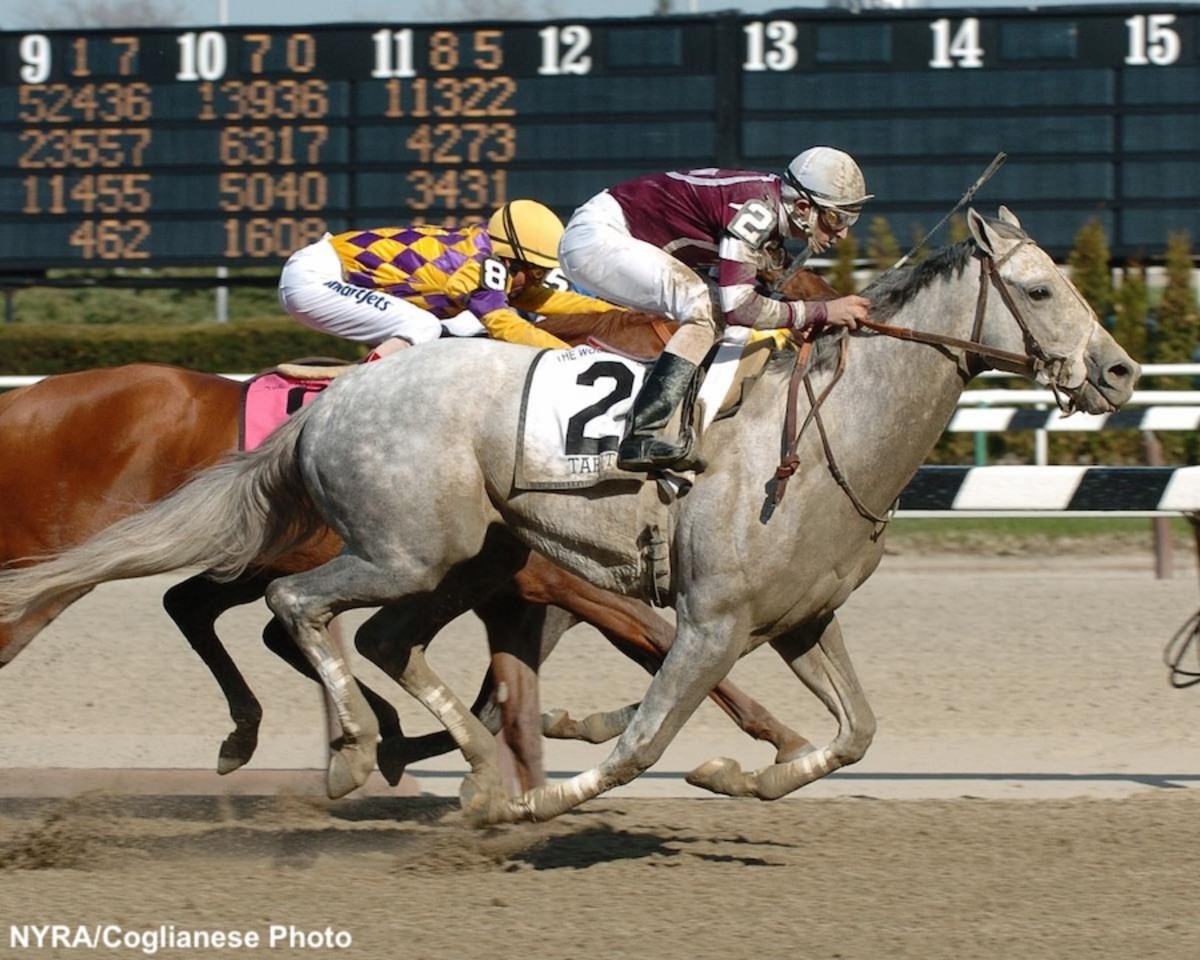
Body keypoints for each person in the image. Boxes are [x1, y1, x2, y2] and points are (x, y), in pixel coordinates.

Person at [559, 147, 874, 471]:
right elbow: (741, 308)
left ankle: (676, 426)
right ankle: (642, 435)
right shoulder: (758, 212)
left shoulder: (768, 213)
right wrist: (819, 312)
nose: (843, 232)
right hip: (598, 237)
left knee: (712, 311)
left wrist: (799, 314)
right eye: (837, 218)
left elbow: (743, 300)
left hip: (613, 234)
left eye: (850, 219)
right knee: (702, 306)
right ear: (803, 206)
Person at [278, 199, 619, 359]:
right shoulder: (473, 267)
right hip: (314, 277)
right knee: (424, 327)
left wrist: (613, 311)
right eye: (535, 271)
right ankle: (352, 392)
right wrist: (575, 358)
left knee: (444, 329)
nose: (536, 281)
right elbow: (507, 326)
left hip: (330, 274)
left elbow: (540, 300)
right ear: (511, 259)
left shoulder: (492, 257)